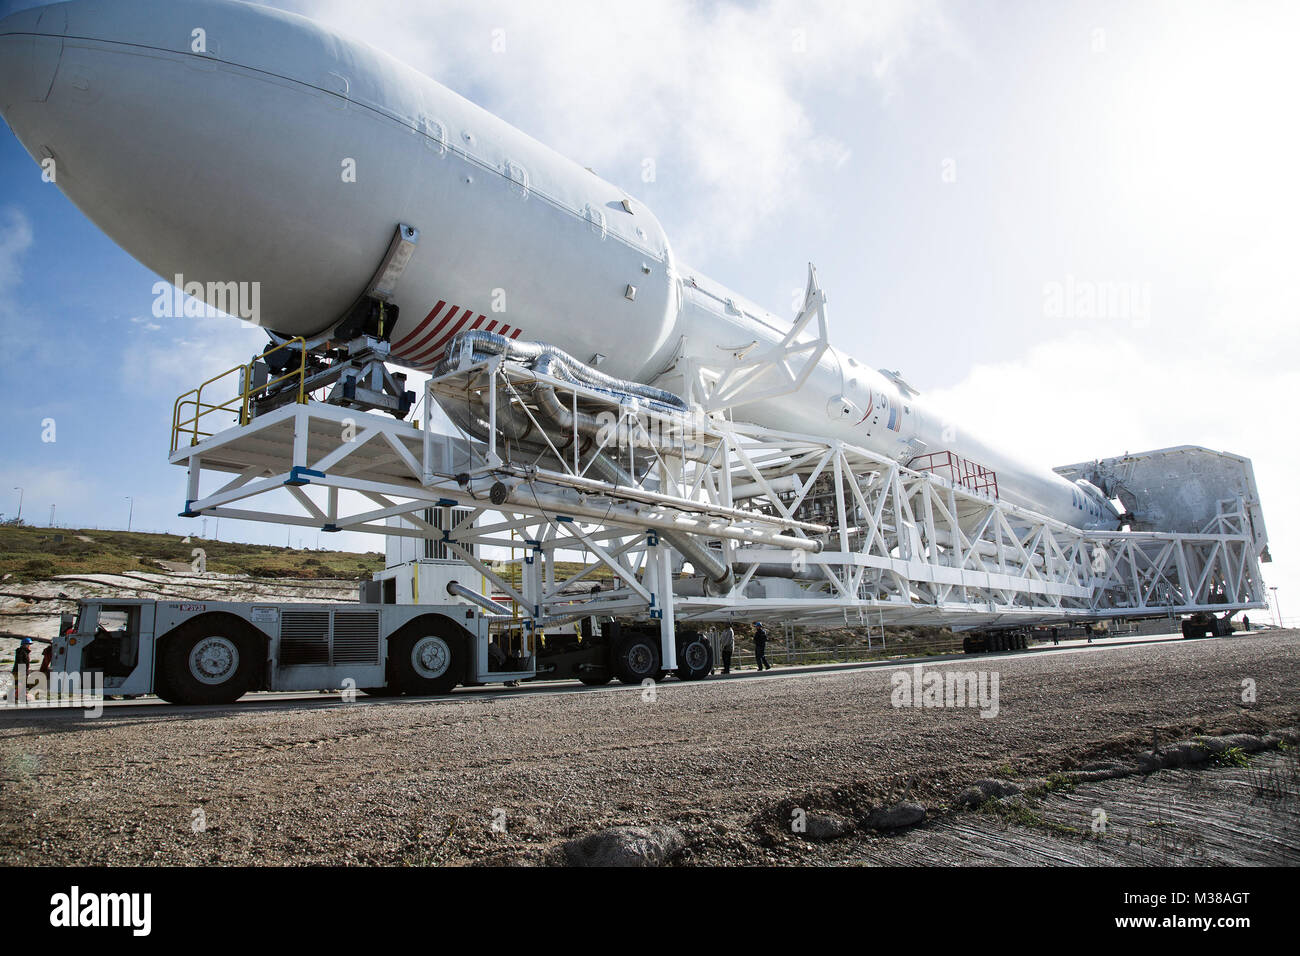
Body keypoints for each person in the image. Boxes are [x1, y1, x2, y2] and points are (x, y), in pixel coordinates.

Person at [11, 637, 32, 702]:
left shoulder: (23, 652)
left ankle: (16, 696)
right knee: (21, 684)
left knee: (19, 684)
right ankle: (21, 696)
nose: (29, 646)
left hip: (19, 671)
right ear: (25, 645)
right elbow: (21, 662)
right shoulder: (22, 652)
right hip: (20, 671)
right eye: (28, 644)